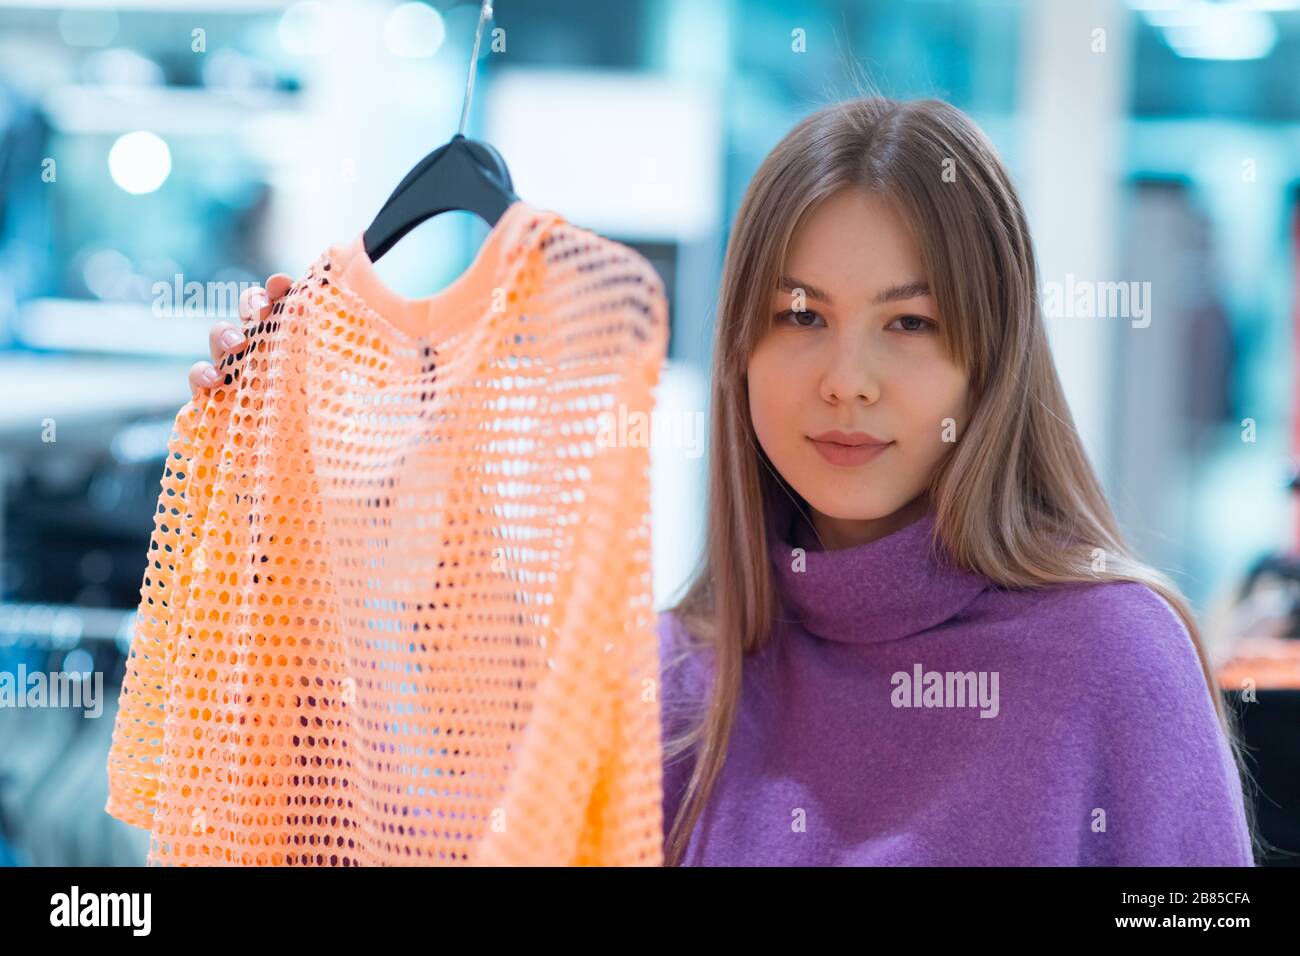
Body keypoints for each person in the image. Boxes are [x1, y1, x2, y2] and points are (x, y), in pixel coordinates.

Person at [188, 94, 1260, 868]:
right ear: (739, 344)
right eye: (800, 317)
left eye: (910, 323)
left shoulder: (1111, 659)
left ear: (990, 361)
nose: (848, 381)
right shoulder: (667, 680)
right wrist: (281, 486)